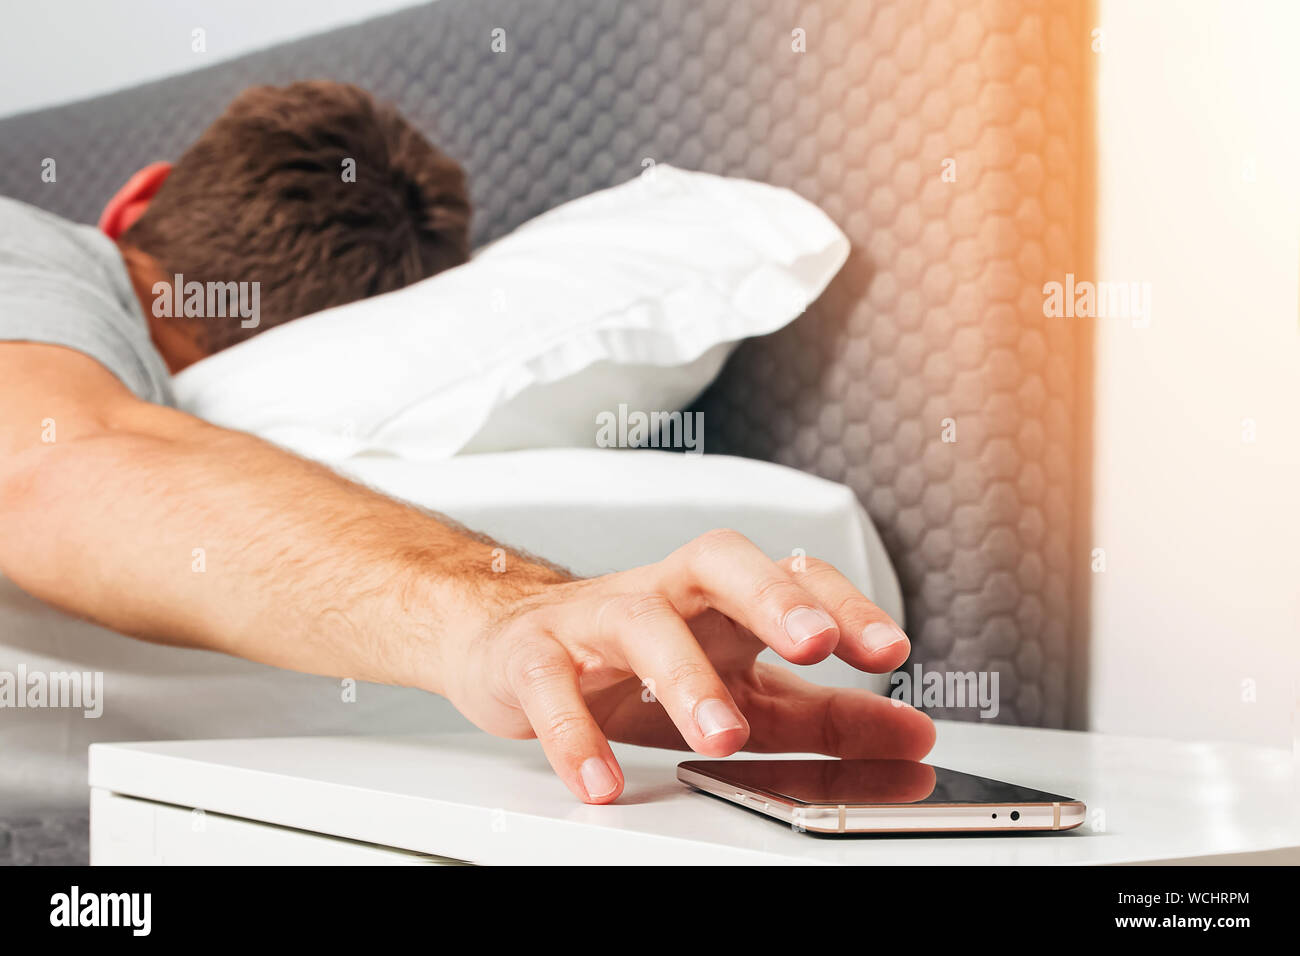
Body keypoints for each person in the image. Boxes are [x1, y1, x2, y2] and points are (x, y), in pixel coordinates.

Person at [0, 81, 933, 804]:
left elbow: (67, 459)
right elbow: (53, 458)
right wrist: (500, 611)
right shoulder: (34, 253)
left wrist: (509, 628)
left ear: (137, 198)